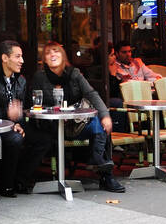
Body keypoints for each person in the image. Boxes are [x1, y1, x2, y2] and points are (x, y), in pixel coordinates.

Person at [31, 41, 125, 192]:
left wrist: (105, 115)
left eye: (56, 51)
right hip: (52, 127)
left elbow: (92, 94)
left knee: (101, 123)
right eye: (48, 53)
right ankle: (100, 165)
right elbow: (35, 104)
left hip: (76, 125)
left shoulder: (73, 74)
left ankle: (104, 173)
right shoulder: (39, 77)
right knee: (98, 126)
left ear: (63, 55)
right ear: (45, 59)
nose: (52, 54)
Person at [0, 40, 53, 196]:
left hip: (14, 125)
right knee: (11, 140)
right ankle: (1, 185)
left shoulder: (21, 80)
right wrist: (9, 119)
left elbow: (20, 108)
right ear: (4, 58)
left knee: (43, 139)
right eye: (18, 56)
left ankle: (20, 179)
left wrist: (19, 123)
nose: (22, 61)